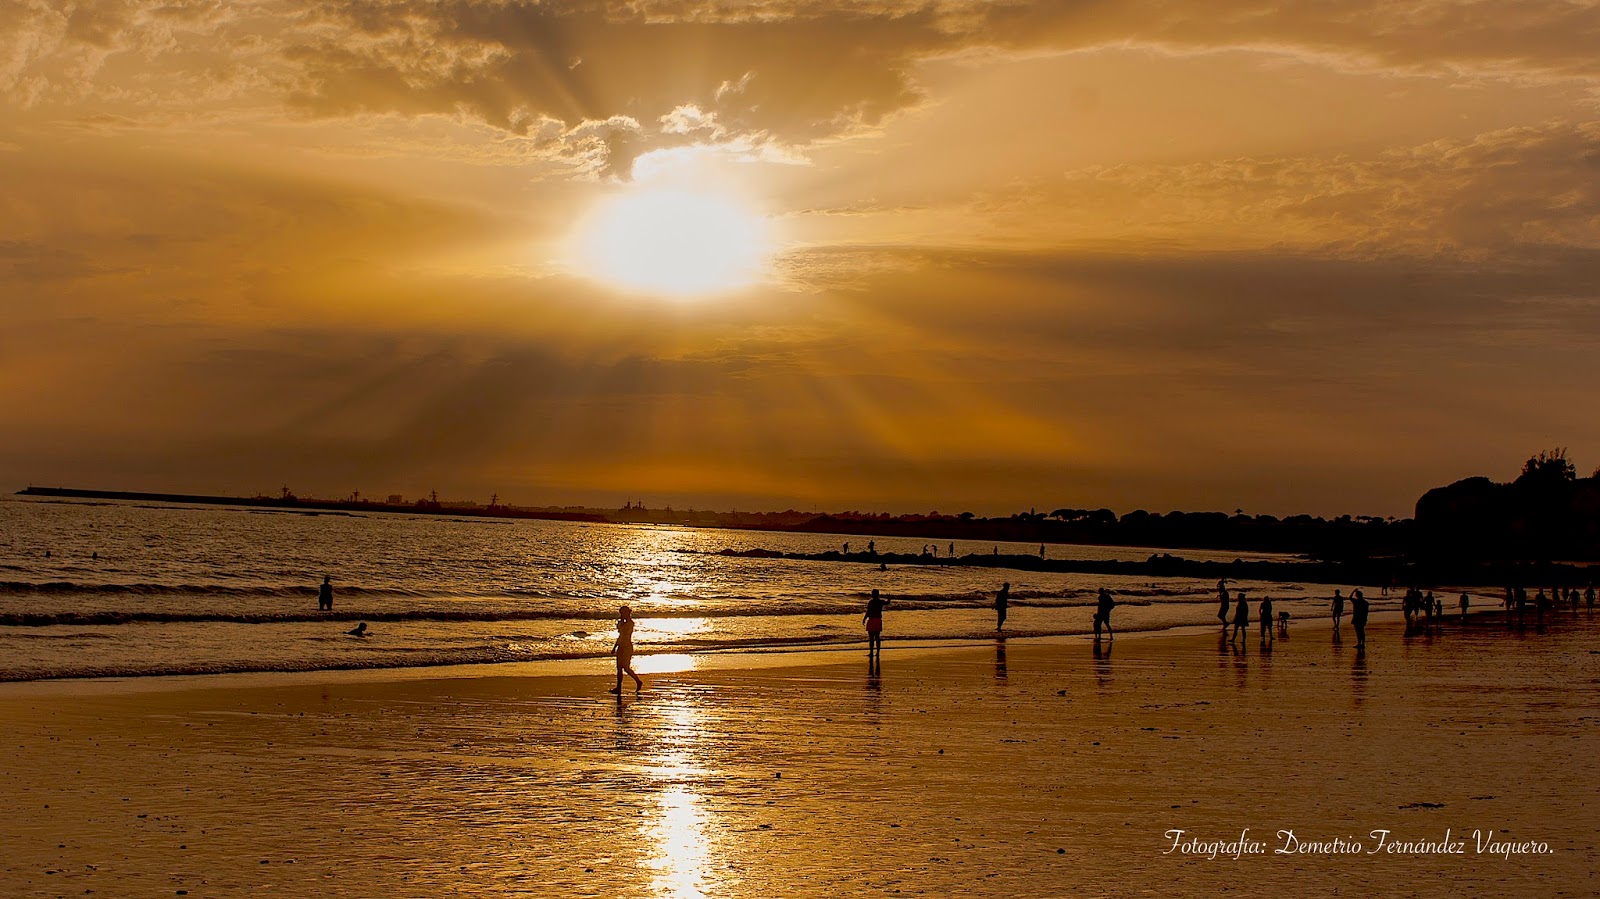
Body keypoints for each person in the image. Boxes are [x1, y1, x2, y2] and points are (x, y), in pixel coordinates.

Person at [610, 605, 644, 694]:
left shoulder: (630, 623)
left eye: (624, 612)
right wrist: (614, 647)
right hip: (621, 646)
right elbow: (620, 636)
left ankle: (638, 681)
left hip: (627, 647)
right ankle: (618, 687)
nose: (622, 614)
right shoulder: (622, 623)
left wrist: (621, 622)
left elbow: (624, 634)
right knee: (619, 668)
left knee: (625, 667)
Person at [864, 588, 891, 656]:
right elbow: (887, 602)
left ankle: (872, 652)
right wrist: (889, 598)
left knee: (872, 638)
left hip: (873, 620)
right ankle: (877, 652)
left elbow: (868, 611)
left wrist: (864, 618)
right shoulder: (879, 602)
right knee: (877, 637)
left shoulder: (871, 602)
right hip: (877, 620)